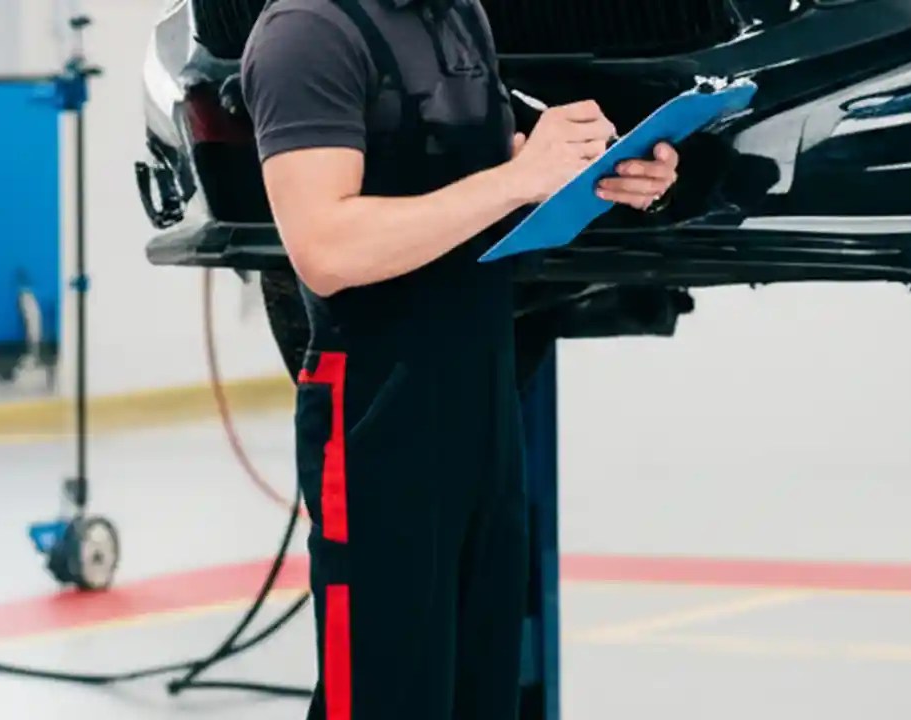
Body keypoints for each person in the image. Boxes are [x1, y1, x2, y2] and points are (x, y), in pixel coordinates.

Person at [240, 0, 679, 717]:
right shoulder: (306, 32)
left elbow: (476, 195)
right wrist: (516, 178)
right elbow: (325, 248)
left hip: (480, 397)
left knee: (484, 688)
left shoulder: (461, 15)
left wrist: (601, 179)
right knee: (387, 694)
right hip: (376, 412)